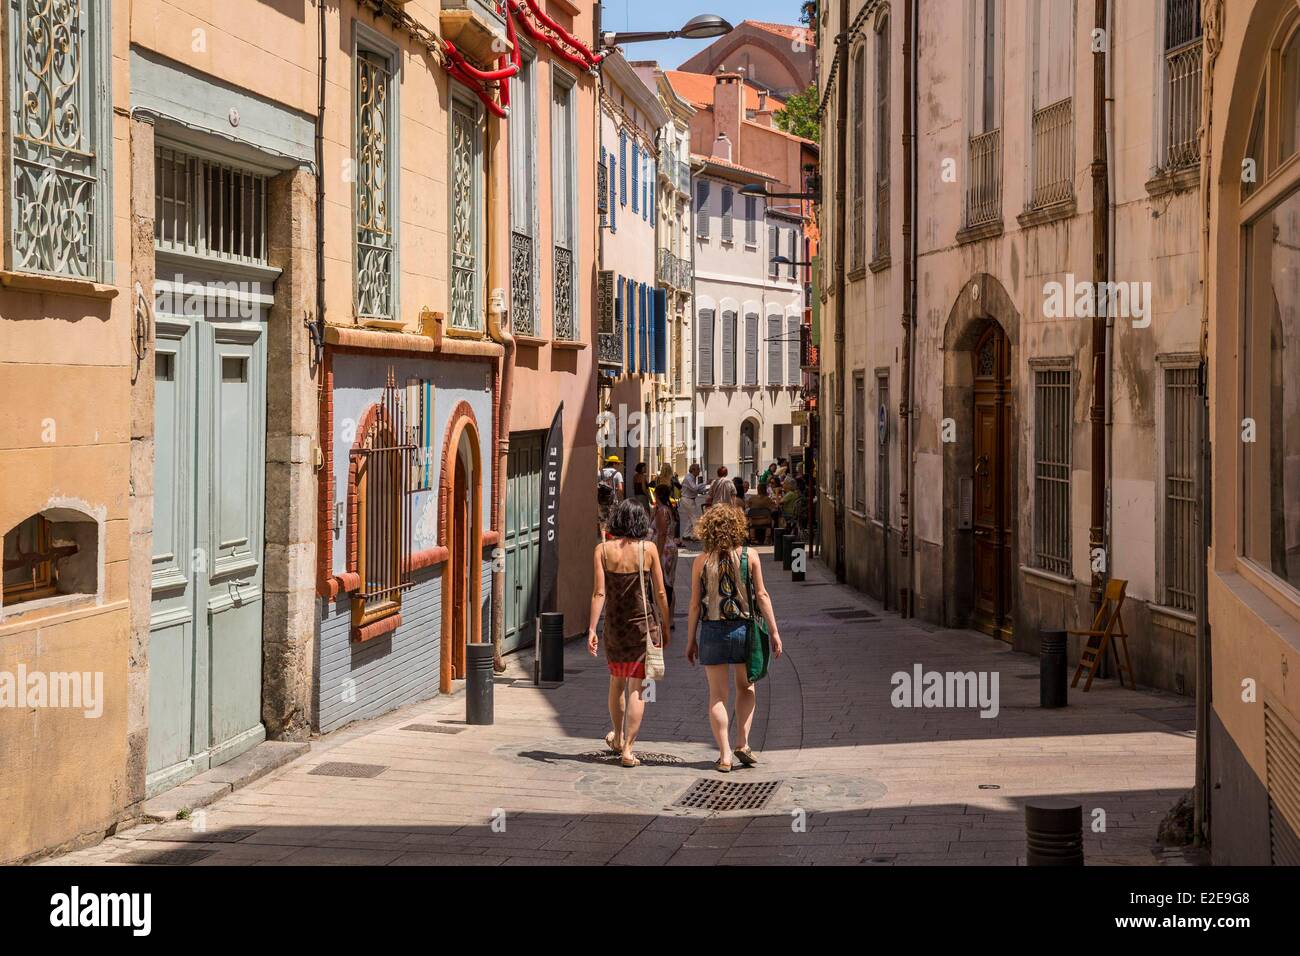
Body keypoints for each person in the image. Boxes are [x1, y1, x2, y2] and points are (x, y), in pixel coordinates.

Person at [686, 504, 782, 773]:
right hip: (746, 631)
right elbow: (762, 595)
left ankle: (725, 754)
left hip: (712, 631)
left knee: (717, 696)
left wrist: (690, 639)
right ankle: (742, 742)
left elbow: (694, 605)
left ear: (708, 530)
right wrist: (774, 631)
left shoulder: (701, 562)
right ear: (737, 527)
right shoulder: (749, 556)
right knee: (746, 688)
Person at [587, 501, 671, 768]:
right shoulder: (649, 550)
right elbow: (659, 592)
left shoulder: (602, 551)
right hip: (643, 627)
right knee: (639, 687)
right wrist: (666, 624)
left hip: (614, 626)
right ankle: (629, 749)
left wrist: (591, 628)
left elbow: (599, 593)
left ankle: (618, 735)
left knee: (616, 682)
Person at [652, 484, 681, 614]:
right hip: (670, 547)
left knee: (663, 583)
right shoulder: (668, 509)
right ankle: (670, 617)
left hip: (664, 549)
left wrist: (657, 555)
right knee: (669, 584)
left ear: (657, 495)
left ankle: (665, 615)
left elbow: (662, 534)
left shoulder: (662, 511)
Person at [680, 463, 705, 541]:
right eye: (698, 469)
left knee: (690, 518)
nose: (699, 471)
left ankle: (686, 534)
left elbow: (696, 489)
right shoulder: (689, 478)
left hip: (689, 499)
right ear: (693, 470)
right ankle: (696, 535)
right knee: (695, 517)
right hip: (687, 499)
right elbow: (694, 488)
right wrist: (704, 484)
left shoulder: (692, 477)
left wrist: (705, 488)